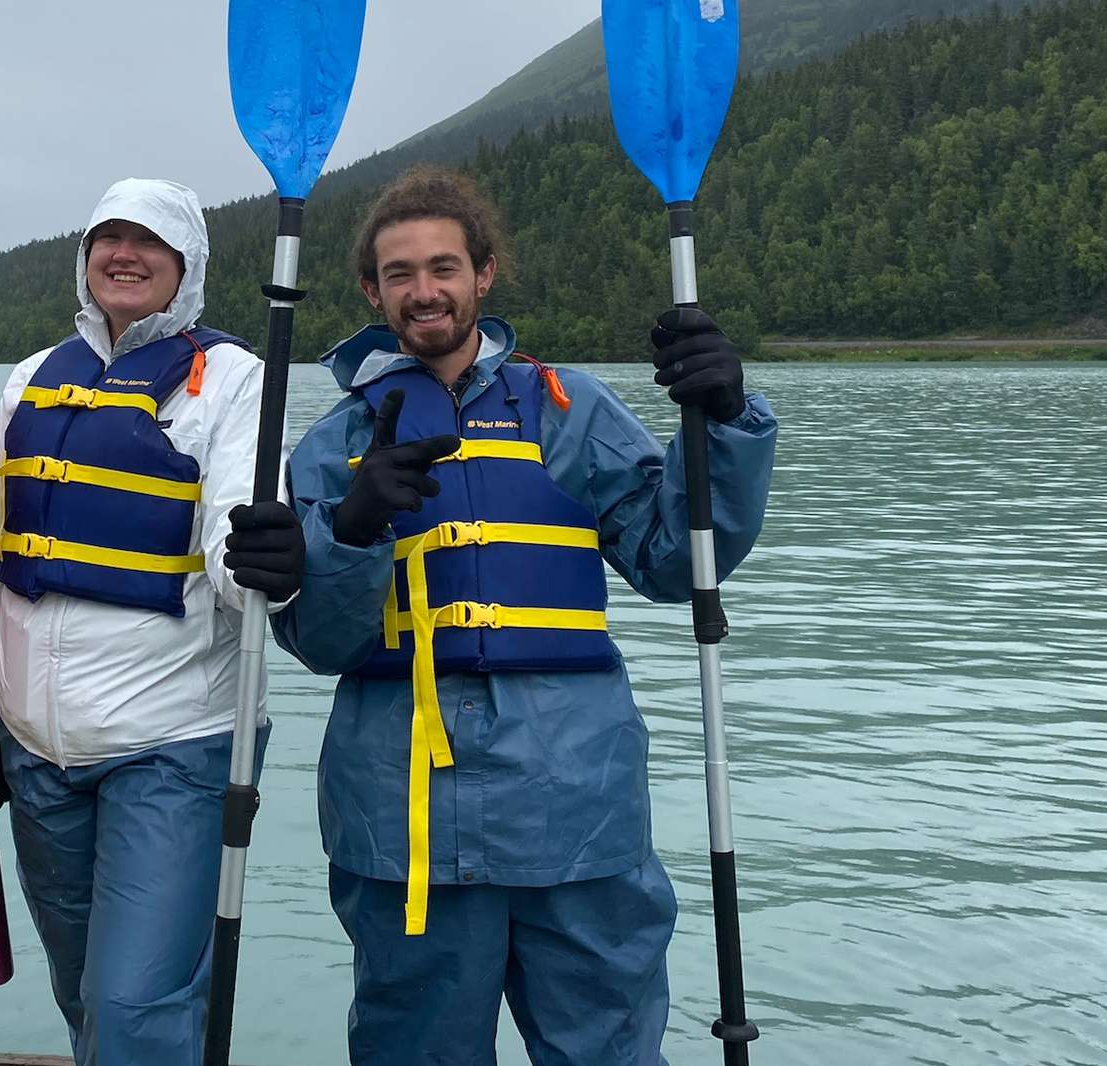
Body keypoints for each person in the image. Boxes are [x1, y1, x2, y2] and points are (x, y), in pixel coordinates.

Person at [273, 165, 778, 1065]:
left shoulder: (571, 409)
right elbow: (320, 641)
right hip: (404, 821)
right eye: (400, 274)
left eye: (443, 267)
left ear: (484, 274)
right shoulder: (335, 444)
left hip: (574, 810)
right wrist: (352, 531)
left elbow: (676, 562)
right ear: (371, 290)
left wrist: (727, 421)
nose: (424, 291)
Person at [0, 177, 305, 1065]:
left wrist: (263, 563)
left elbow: (239, 525)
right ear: (84, 259)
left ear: (185, 265)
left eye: (148, 239)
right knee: (84, 995)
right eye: (107, 237)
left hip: (176, 743)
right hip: (39, 754)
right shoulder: (31, 381)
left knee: (135, 1001)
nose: (124, 253)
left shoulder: (234, 379)